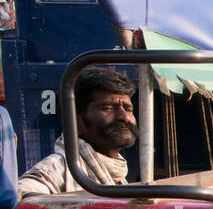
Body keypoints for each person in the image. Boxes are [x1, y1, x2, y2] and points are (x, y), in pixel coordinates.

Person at [18, 66, 135, 197]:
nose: (124, 117)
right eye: (108, 108)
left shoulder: (118, 172)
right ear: (76, 123)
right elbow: (24, 193)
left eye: (128, 108)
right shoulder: (59, 167)